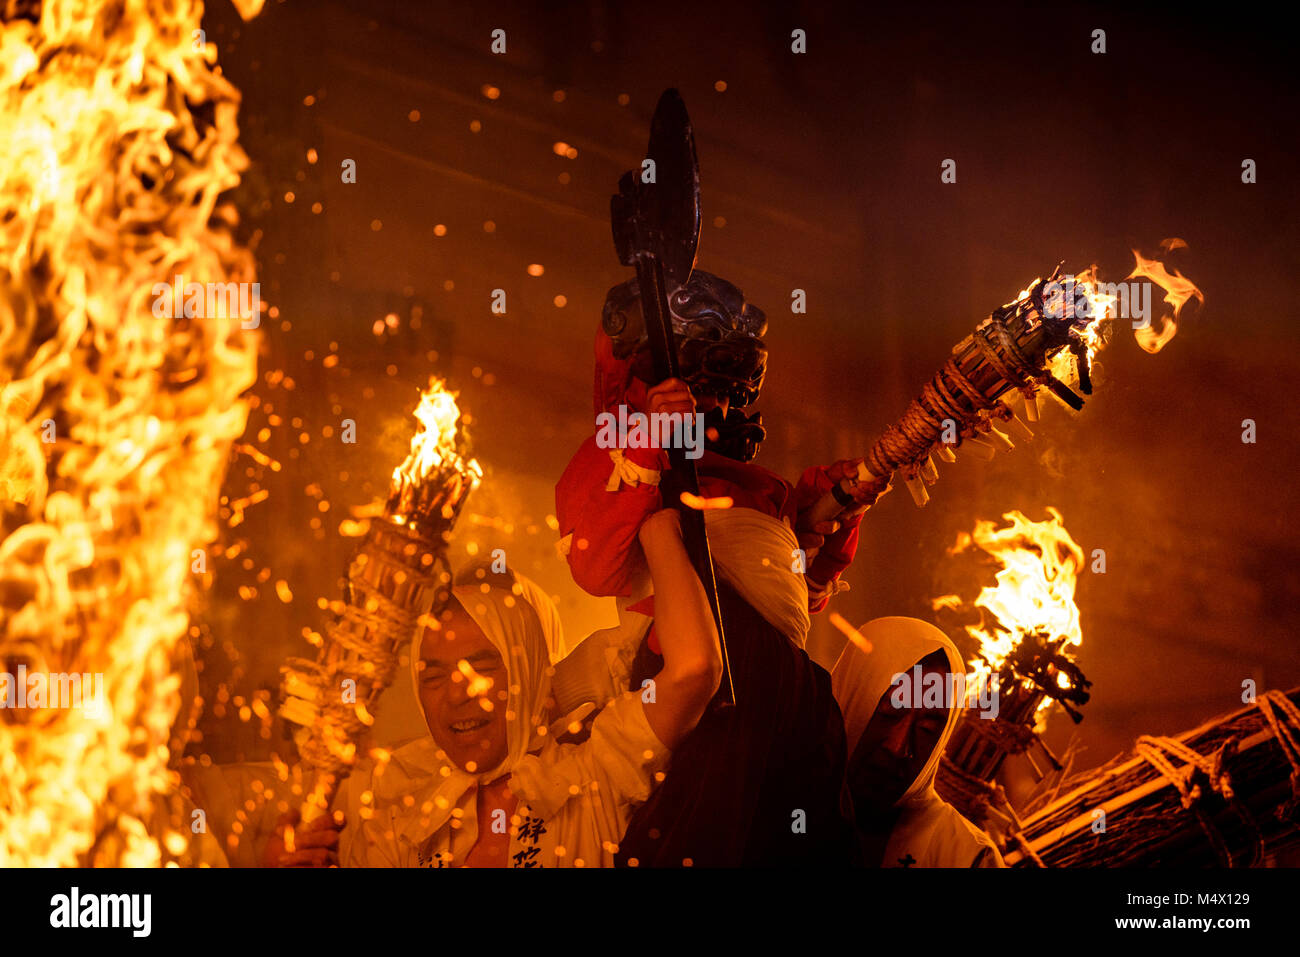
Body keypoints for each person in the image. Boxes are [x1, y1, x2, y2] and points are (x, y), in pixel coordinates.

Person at [554, 271, 885, 866]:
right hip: (703, 671)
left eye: (731, 391)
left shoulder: (764, 487)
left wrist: (838, 512)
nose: (720, 407)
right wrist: (650, 439)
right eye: (705, 387)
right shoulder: (615, 451)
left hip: (791, 682)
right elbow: (596, 569)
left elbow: (796, 598)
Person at [267, 507, 721, 867]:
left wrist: (655, 524)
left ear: (527, 675)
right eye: (433, 676)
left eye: (481, 668)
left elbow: (693, 669)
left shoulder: (596, 774)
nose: (456, 694)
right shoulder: (402, 819)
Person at [831, 616, 1004, 868]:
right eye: (889, 713)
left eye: (927, 729)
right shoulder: (774, 813)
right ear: (849, 697)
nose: (899, 747)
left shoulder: (966, 857)